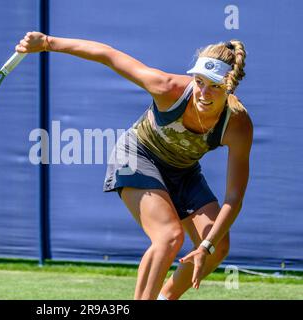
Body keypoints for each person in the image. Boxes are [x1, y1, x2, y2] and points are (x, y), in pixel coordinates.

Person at [16, 32, 253, 300]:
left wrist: (206, 245)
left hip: (183, 170)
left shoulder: (238, 125)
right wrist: (48, 43)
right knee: (169, 237)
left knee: (218, 247)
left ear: (229, 86)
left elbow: (234, 197)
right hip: (137, 156)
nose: (203, 92)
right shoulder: (168, 88)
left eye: (214, 85)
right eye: (199, 82)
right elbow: (109, 56)